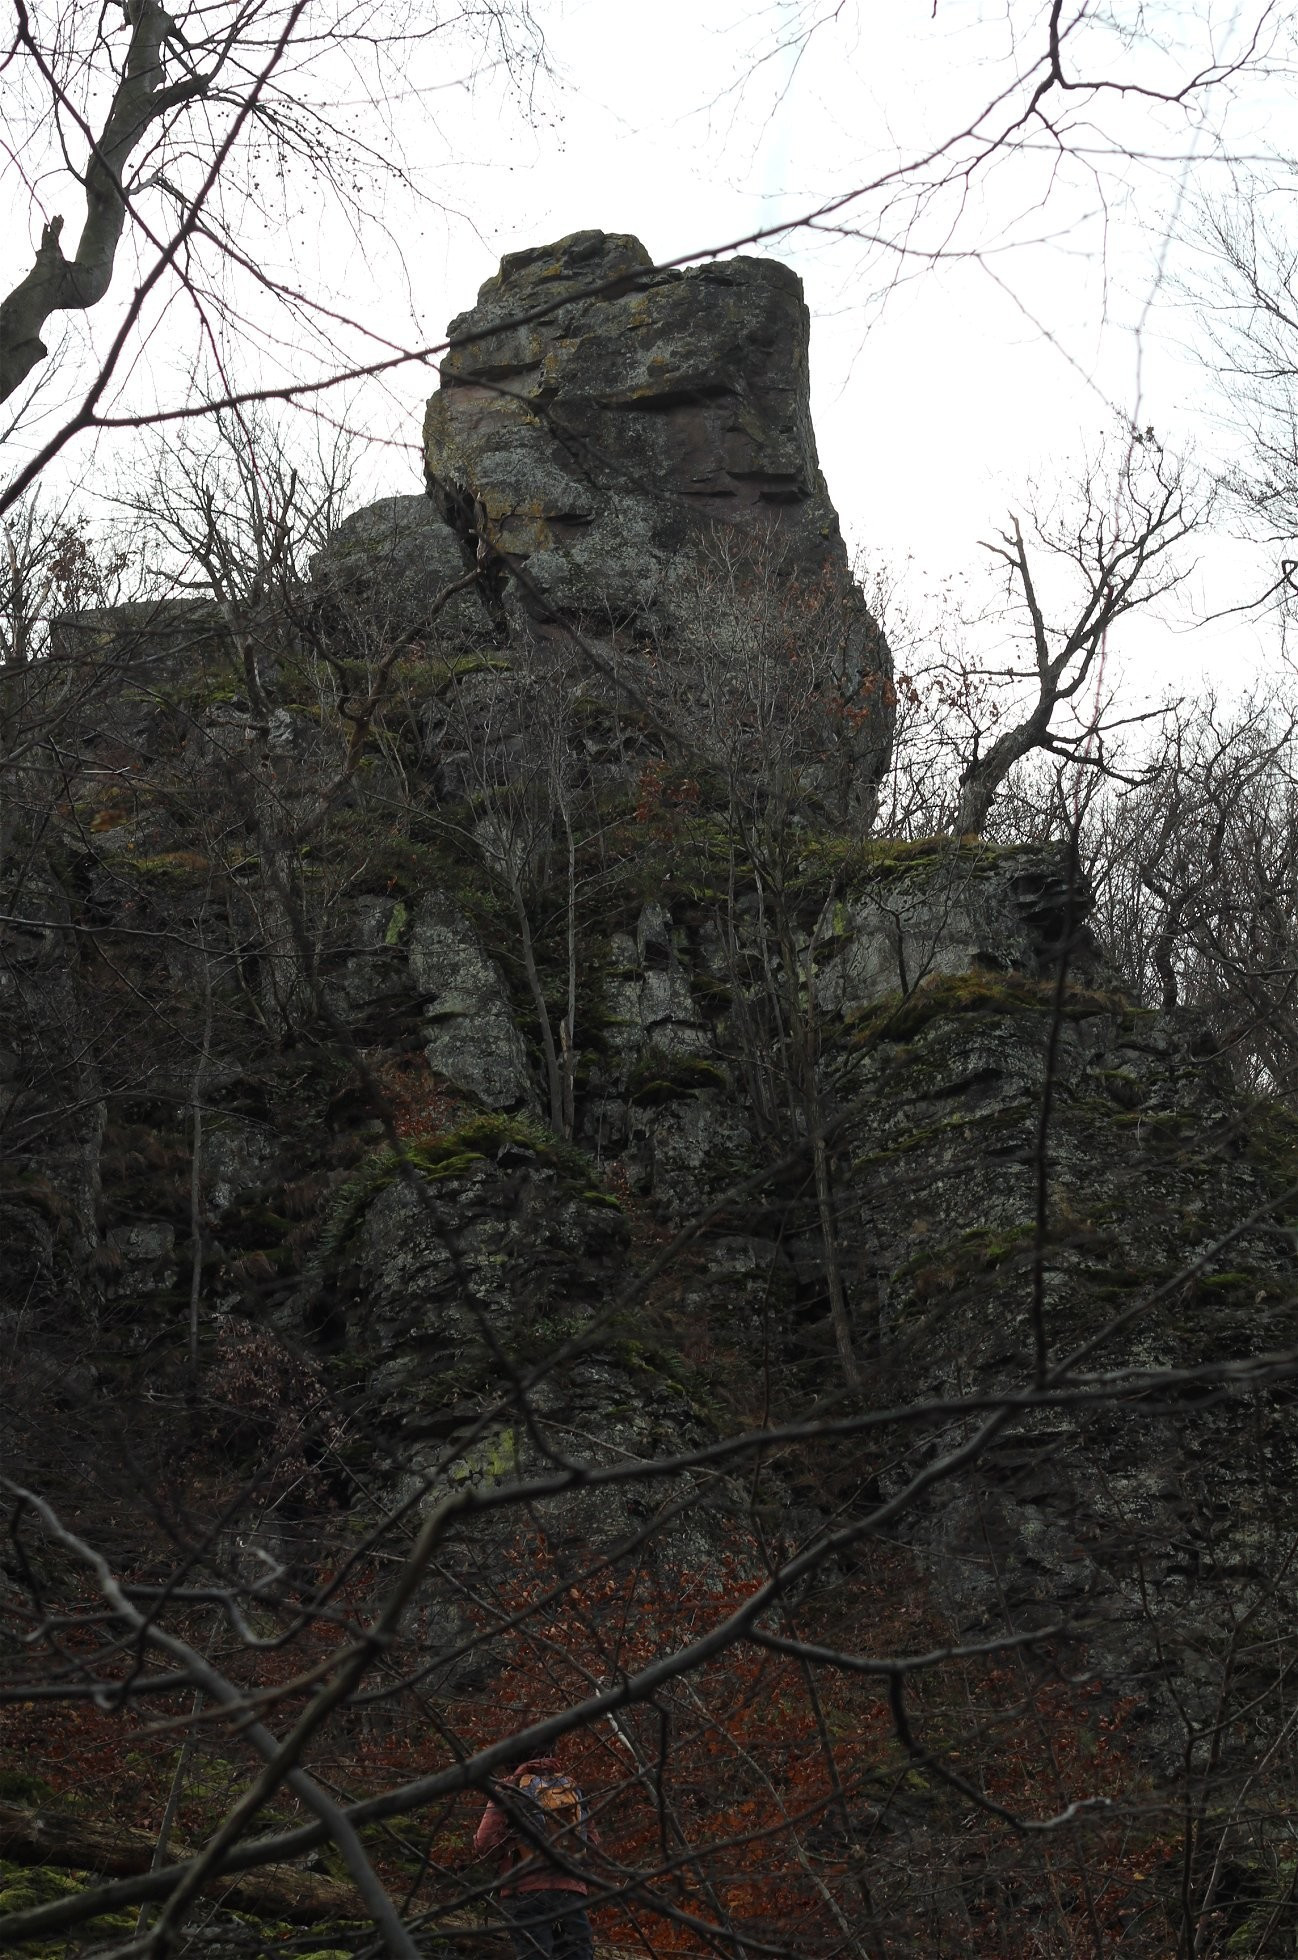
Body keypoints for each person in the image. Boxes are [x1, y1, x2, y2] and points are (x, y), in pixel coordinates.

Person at [474, 1752, 598, 1960]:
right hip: (570, 1894)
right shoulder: (570, 1787)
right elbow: (592, 1843)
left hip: (525, 1893)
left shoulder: (509, 1787)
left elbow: (485, 1844)